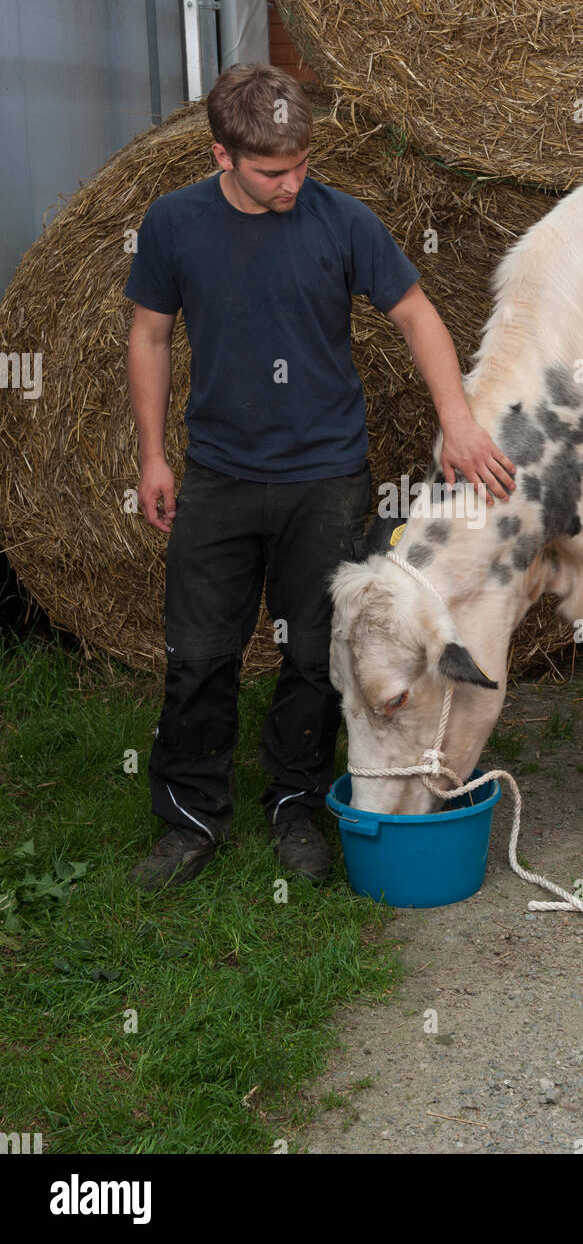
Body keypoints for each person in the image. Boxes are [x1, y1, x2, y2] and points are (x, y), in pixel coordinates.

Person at [124, 63, 516, 891]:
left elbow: (415, 313)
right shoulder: (173, 224)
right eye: (274, 171)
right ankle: (188, 820)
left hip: (329, 479)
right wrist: (152, 454)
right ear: (222, 155)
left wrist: (456, 420)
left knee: (313, 658)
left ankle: (295, 810)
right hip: (219, 477)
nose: (293, 182)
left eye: (303, 163)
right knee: (199, 656)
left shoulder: (343, 221)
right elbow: (150, 336)